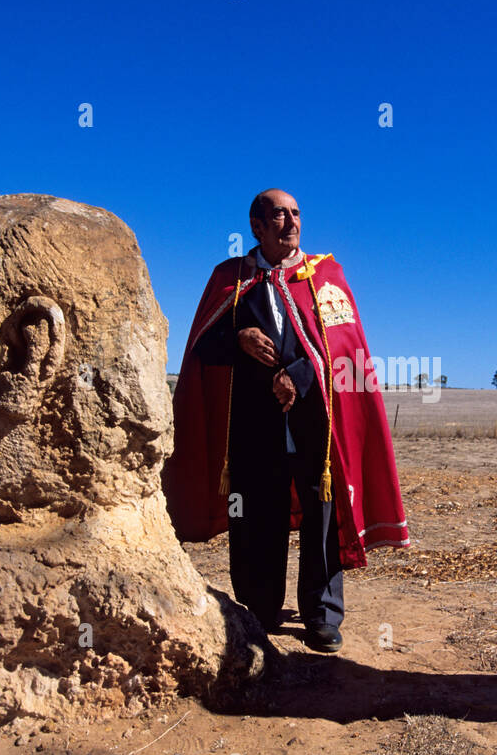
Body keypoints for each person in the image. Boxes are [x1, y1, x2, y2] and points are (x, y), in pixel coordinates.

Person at [166, 189, 409, 653]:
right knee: (255, 514)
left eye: (296, 213)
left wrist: (299, 376)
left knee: (321, 514)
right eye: (279, 214)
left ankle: (321, 615)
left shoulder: (326, 274)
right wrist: (238, 336)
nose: (291, 221)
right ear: (256, 226)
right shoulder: (231, 277)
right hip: (252, 426)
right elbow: (202, 347)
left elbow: (344, 348)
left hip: (314, 423)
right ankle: (258, 610)